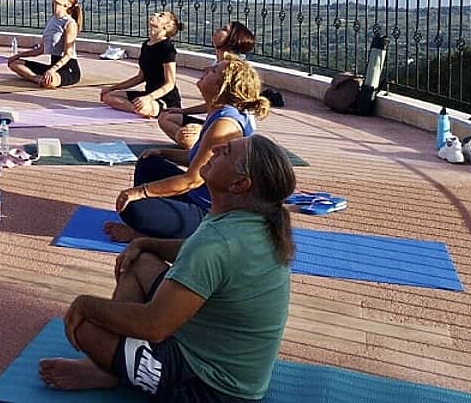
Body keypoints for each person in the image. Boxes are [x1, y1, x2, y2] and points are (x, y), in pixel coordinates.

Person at [38, 134, 296, 402]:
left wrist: (84, 305)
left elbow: (153, 325)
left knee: (85, 323)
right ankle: (108, 369)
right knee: (139, 261)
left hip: (211, 389)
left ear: (240, 184)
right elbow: (195, 251)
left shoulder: (216, 244)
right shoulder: (254, 221)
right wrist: (145, 243)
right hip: (222, 358)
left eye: (227, 152)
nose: (217, 148)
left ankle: (110, 368)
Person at [105, 56, 270, 243]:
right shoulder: (220, 112)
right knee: (148, 162)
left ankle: (147, 234)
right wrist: (164, 152)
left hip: (211, 212)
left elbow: (192, 180)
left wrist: (140, 192)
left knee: (132, 207)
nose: (206, 70)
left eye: (213, 71)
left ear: (221, 88)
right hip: (198, 196)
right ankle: (151, 225)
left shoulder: (224, 125)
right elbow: (200, 158)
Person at [158, 21, 255, 148]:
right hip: (214, 121)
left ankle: (196, 146)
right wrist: (183, 111)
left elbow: (227, 107)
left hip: (230, 129)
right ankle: (194, 145)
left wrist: (203, 128)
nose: (218, 29)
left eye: (224, 29)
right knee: (166, 117)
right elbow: (213, 104)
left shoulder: (232, 69)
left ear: (232, 39)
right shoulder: (217, 63)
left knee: (186, 136)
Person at [100, 11, 184, 119]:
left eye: (161, 15)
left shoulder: (167, 48)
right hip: (148, 94)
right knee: (108, 96)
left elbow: (170, 84)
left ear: (166, 27)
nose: (155, 14)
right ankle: (137, 109)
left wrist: (149, 97)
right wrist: (112, 88)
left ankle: (148, 109)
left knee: (144, 106)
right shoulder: (146, 45)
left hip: (164, 98)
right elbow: (140, 77)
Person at [7, 0, 82, 89]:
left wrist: (52, 70)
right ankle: (36, 79)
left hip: (68, 69)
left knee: (49, 82)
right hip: (52, 65)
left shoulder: (70, 23)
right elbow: (41, 50)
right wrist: (18, 55)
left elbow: (68, 54)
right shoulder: (52, 20)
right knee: (13, 63)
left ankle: (43, 79)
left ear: (68, 4)